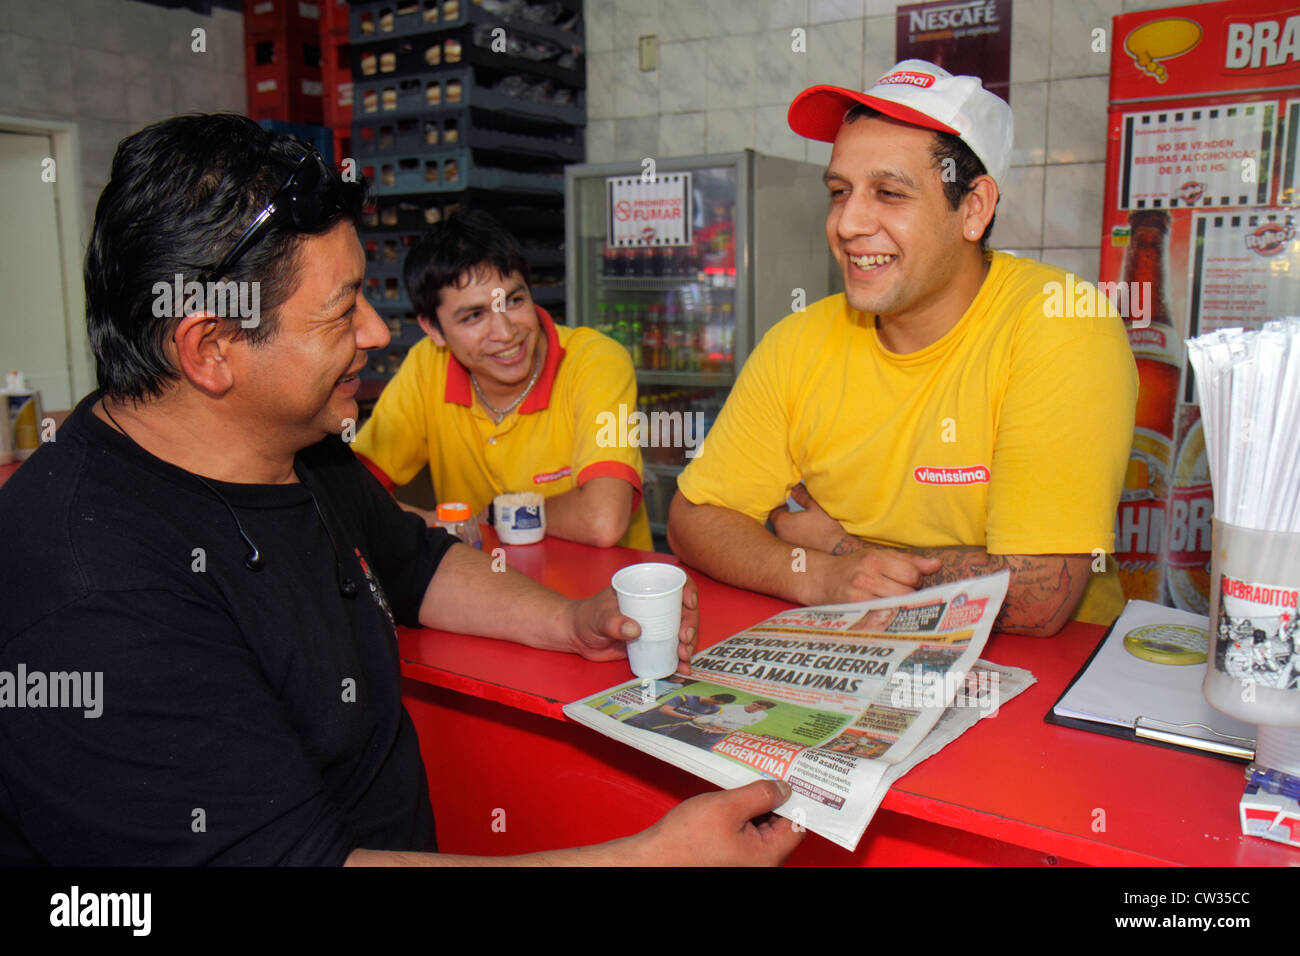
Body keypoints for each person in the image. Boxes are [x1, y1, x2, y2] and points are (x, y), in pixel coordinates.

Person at [0, 114, 800, 866]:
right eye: (344, 313)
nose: (377, 335)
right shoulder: (92, 593)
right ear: (211, 349)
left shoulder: (301, 451)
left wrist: (570, 621)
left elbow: (412, 561)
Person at [668, 60, 1138, 637]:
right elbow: (693, 518)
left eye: (889, 193)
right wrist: (817, 576)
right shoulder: (798, 340)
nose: (848, 223)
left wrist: (842, 549)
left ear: (973, 208)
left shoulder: (1061, 325)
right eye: (840, 193)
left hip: (1040, 678)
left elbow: (1038, 594)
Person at [351, 211, 652, 550]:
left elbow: (602, 519)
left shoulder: (595, 361)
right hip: (491, 593)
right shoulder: (427, 364)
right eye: (475, 316)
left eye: (514, 300)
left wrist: (494, 514)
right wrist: (442, 526)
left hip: (603, 595)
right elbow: (348, 490)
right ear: (434, 330)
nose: (506, 332)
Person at [669, 700, 778, 751]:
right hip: (695, 729)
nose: (754, 708)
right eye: (754, 705)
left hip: (715, 735)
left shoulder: (762, 715)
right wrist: (709, 726)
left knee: (701, 753)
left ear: (764, 709)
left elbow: (737, 725)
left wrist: (717, 730)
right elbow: (702, 718)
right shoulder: (730, 708)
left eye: (759, 708)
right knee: (673, 744)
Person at [624, 692, 737, 733]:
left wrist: (715, 727)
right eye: (715, 701)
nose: (715, 704)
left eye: (719, 704)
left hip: (661, 730)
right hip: (641, 722)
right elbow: (664, 709)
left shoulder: (714, 709)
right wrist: (687, 717)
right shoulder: (685, 698)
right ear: (712, 696)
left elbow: (701, 722)